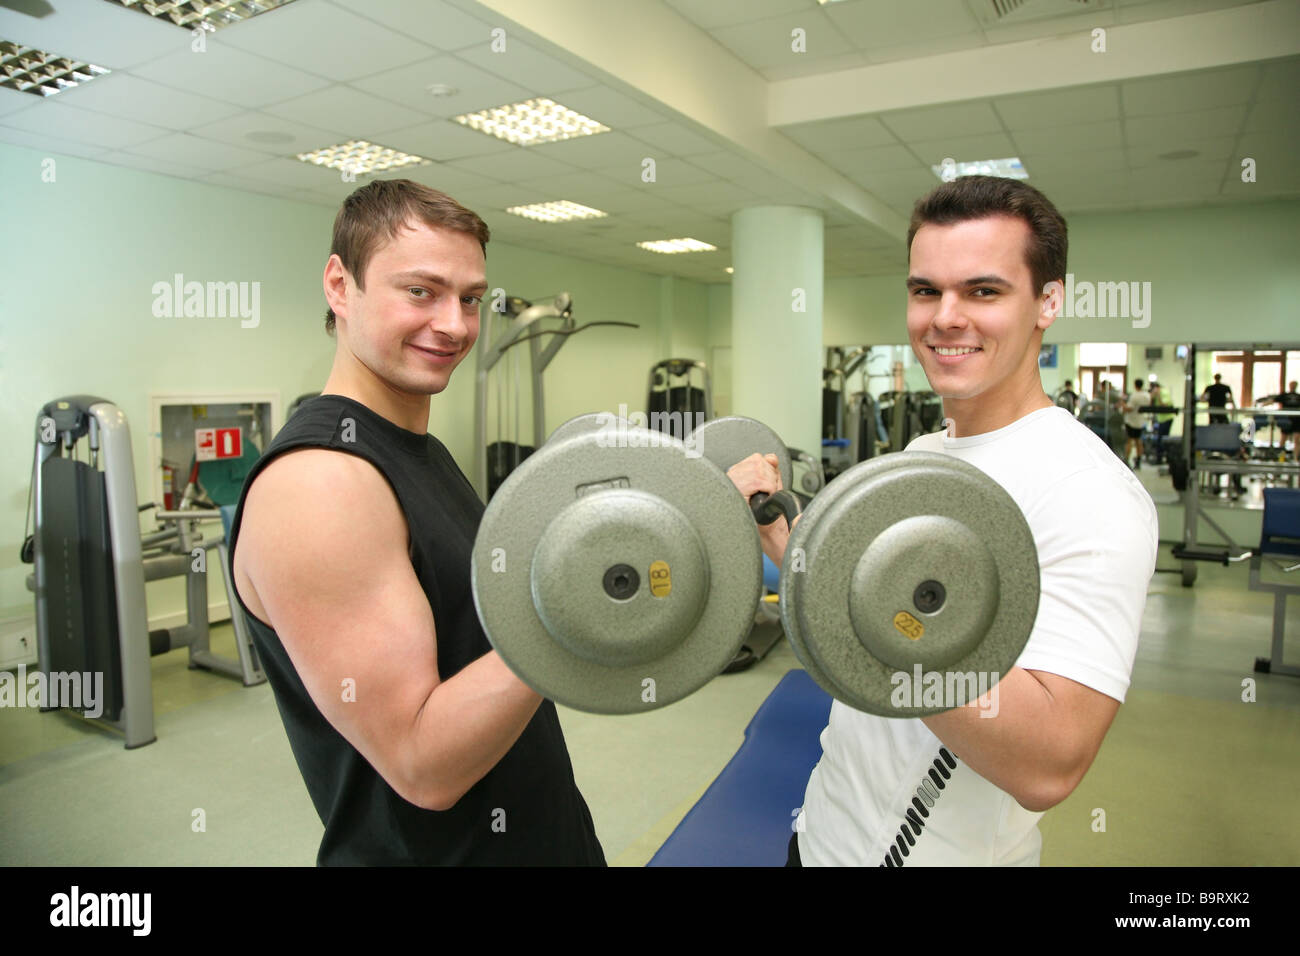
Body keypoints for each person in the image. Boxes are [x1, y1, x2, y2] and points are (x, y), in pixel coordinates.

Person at [731, 174, 1157, 866]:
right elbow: (858, 585)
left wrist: (863, 621)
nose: (944, 317)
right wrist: (776, 526)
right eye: (926, 290)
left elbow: (1049, 762)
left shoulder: (1088, 493)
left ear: (1049, 301)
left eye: (983, 291)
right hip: (819, 838)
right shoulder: (928, 452)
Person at [228, 180, 605, 865]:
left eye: (469, 299)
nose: (456, 325)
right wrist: (579, 605)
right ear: (340, 286)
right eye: (421, 292)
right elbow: (420, 760)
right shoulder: (322, 483)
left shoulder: (415, 451)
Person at [1256, 380, 1300, 461]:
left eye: (1294, 385)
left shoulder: (1298, 396)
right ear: (1289, 386)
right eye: (1291, 385)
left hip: (1297, 420)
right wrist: (1262, 405)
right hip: (1287, 420)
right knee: (1283, 439)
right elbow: (1272, 401)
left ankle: (1296, 459)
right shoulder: (1284, 395)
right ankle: (1281, 459)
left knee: (1297, 440)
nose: (1293, 386)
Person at [1122, 379, 1147, 470]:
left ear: (1135, 385)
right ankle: (1139, 460)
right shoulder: (1146, 395)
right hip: (1140, 421)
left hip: (1132, 421)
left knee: (1129, 441)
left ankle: (1126, 460)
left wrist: (1123, 405)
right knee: (1138, 441)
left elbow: (1130, 408)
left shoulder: (1135, 396)